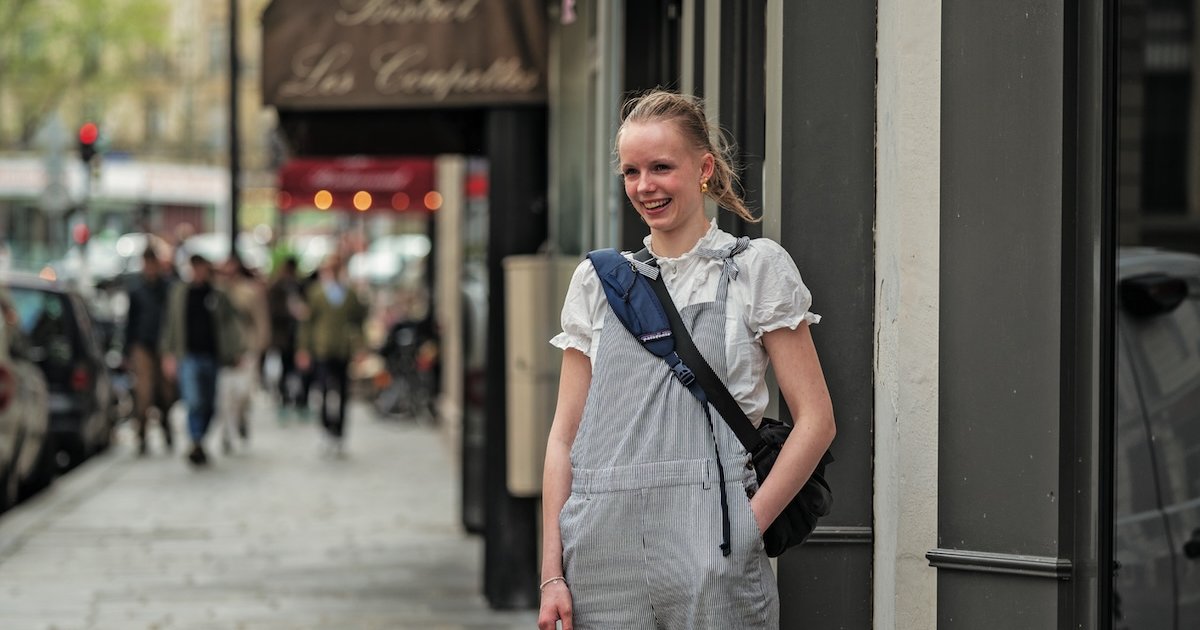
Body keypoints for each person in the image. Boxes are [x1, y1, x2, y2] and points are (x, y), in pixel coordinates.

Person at [537, 90, 836, 630]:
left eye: (661, 167)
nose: (644, 186)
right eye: (631, 172)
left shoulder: (755, 269)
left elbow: (816, 420)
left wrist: (746, 529)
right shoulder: (598, 283)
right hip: (600, 563)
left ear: (704, 169)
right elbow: (564, 438)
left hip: (713, 557)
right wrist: (552, 574)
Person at [160, 254, 243, 467]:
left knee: (209, 403)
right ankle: (196, 439)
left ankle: (200, 439)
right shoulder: (180, 293)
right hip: (188, 355)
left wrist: (236, 350)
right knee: (194, 400)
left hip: (212, 355)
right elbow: (170, 323)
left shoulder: (217, 293)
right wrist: (168, 354)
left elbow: (230, 323)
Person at [296, 254, 367, 457]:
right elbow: (307, 324)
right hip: (322, 349)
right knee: (324, 391)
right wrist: (303, 349)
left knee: (343, 393)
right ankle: (326, 429)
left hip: (343, 349)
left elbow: (358, 321)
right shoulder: (316, 293)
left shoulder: (350, 294)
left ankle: (340, 432)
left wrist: (360, 347)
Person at [124, 248, 177, 455]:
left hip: (163, 346)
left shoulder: (167, 288)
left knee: (165, 392)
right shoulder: (137, 290)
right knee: (143, 393)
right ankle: (142, 435)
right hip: (142, 345)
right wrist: (128, 351)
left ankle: (166, 426)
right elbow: (130, 323)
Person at [215, 255, 270, 453]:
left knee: (243, 392)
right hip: (223, 351)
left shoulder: (249, 291)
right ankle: (227, 433)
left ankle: (241, 418)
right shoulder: (217, 292)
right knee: (225, 395)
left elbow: (260, 319)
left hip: (247, 347)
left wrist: (261, 345)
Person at [266, 256, 307, 417]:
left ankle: (299, 399)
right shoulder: (276, 288)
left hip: (298, 336)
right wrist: (290, 313)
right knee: (284, 367)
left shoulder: (299, 286)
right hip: (283, 336)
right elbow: (272, 311)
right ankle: (285, 398)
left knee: (299, 368)